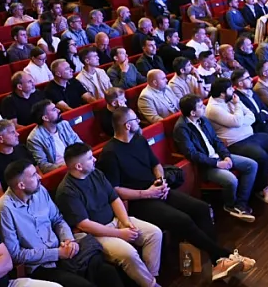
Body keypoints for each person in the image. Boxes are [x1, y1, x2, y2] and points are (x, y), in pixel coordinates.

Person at [97, 108, 255, 281]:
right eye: (135, 119)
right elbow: (115, 190)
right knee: (183, 220)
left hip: (158, 190)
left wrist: (160, 180)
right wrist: (147, 193)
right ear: (127, 126)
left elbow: (156, 165)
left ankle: (219, 261)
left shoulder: (139, 140)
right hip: (137, 201)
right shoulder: (110, 153)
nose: (138, 121)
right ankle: (223, 257)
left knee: (201, 208)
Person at [0, 160, 125, 287]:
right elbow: (16, 254)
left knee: (107, 272)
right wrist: (57, 253)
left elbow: (57, 219)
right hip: (40, 265)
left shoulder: (40, 191)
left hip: (62, 249)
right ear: (21, 185)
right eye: (33, 175)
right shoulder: (4, 210)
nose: (39, 177)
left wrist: (68, 240)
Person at [55, 143, 163, 287]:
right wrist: (119, 233)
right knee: (128, 253)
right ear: (78, 167)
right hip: (96, 234)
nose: (94, 159)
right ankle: (151, 285)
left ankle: (149, 278)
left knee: (154, 233)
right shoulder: (67, 191)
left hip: (116, 221)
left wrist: (126, 222)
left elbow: (114, 198)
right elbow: (84, 224)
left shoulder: (96, 173)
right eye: (89, 158)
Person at [172, 94, 258, 223]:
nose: (204, 107)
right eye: (201, 106)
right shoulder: (181, 128)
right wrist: (217, 163)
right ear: (193, 112)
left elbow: (216, 141)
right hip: (206, 165)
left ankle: (241, 203)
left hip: (218, 156)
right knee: (231, 180)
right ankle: (230, 205)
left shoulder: (203, 119)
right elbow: (192, 154)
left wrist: (226, 156)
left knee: (251, 165)